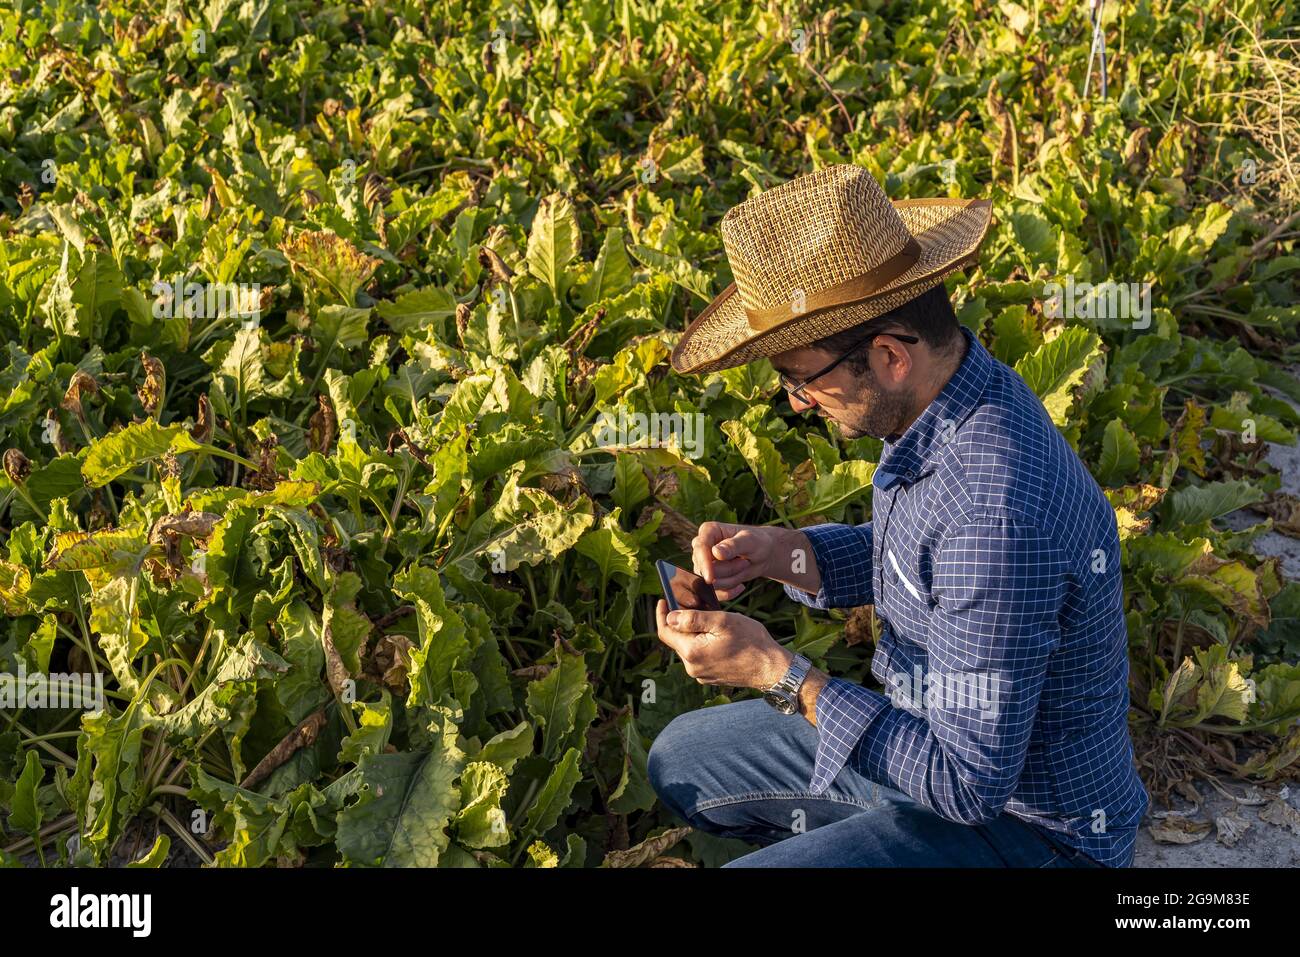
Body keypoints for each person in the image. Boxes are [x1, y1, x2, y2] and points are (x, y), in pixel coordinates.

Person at [647, 163, 1148, 867]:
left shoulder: (992, 514)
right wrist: (784, 553)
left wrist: (778, 673)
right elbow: (916, 561)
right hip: (924, 743)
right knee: (681, 758)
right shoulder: (959, 395)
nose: (795, 402)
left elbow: (965, 785)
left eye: (800, 378)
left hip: (1028, 829)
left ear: (887, 356)